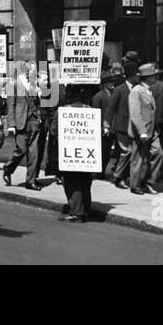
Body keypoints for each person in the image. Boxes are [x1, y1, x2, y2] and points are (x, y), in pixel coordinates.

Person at [58, 84, 97, 222]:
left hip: (69, 152)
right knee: (85, 181)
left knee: (71, 181)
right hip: (87, 152)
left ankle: (77, 212)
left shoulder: (63, 111)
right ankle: (86, 209)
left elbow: (53, 131)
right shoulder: (91, 110)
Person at [2, 61, 44, 190]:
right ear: (25, 70)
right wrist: (11, 124)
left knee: (34, 153)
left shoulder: (33, 85)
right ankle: (8, 169)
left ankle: (30, 181)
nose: (34, 73)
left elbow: (36, 104)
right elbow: (11, 106)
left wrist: (38, 95)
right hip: (20, 122)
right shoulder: (13, 84)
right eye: (32, 71)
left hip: (34, 122)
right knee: (21, 150)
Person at [128, 63, 163, 194]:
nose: (156, 77)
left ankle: (149, 181)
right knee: (138, 158)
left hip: (152, 130)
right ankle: (135, 184)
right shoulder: (137, 91)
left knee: (158, 152)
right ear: (147, 77)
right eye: (154, 75)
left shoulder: (148, 90)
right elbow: (135, 114)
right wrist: (141, 131)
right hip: (142, 131)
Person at [107, 62, 136, 188]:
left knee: (131, 152)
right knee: (126, 151)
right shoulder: (119, 89)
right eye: (137, 75)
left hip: (134, 126)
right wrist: (106, 124)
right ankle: (118, 177)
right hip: (122, 126)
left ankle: (126, 176)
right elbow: (111, 108)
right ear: (131, 76)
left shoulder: (137, 88)